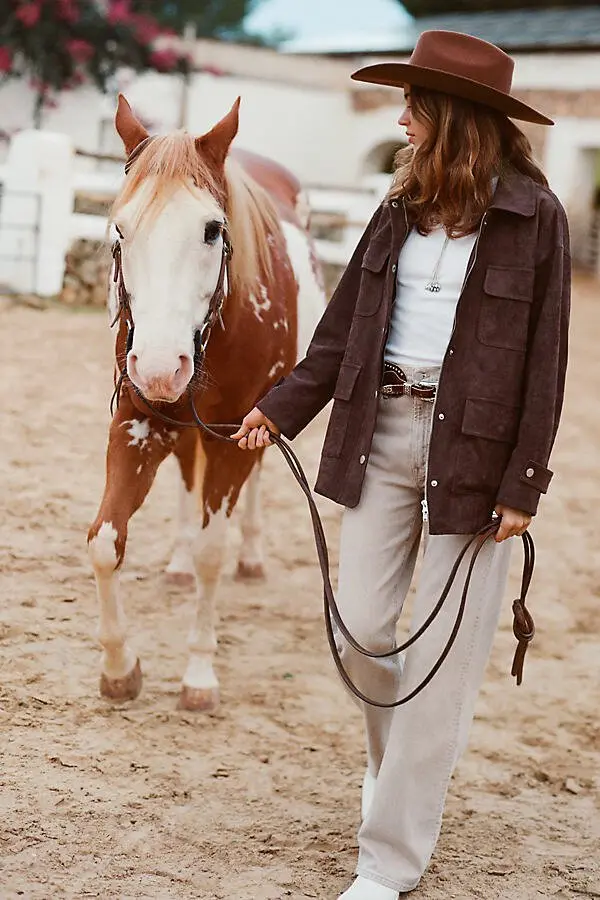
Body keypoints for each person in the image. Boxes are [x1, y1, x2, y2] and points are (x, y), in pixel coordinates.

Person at [232, 30, 570, 900]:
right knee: (360, 633)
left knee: (440, 669)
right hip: (376, 432)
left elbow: (546, 362)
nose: (401, 118)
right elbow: (340, 329)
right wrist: (279, 409)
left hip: (477, 457)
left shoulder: (536, 217)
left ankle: (386, 862)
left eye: (413, 103)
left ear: (453, 114)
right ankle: (397, 780)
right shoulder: (397, 210)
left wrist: (524, 483)